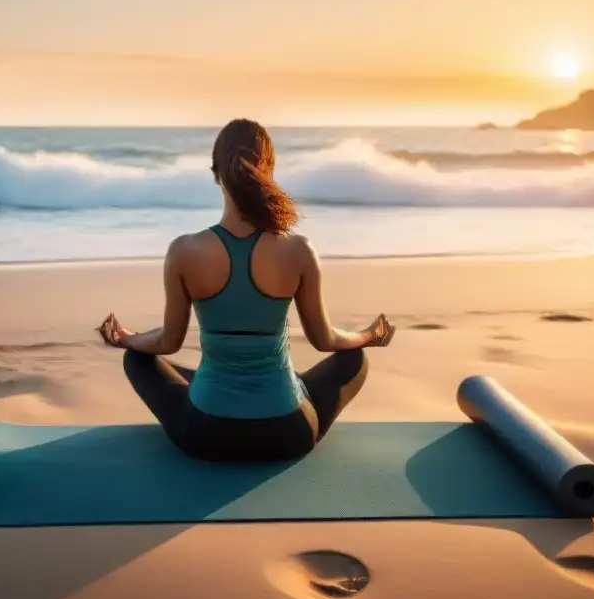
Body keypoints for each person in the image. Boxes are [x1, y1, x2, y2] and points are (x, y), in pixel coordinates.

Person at [97, 118, 394, 462]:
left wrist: (126, 338)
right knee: (354, 357)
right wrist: (369, 335)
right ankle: (275, 385)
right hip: (288, 434)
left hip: (205, 434)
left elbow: (168, 343)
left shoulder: (184, 251)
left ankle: (215, 384)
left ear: (215, 173)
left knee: (139, 359)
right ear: (269, 171)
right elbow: (325, 340)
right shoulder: (298, 250)